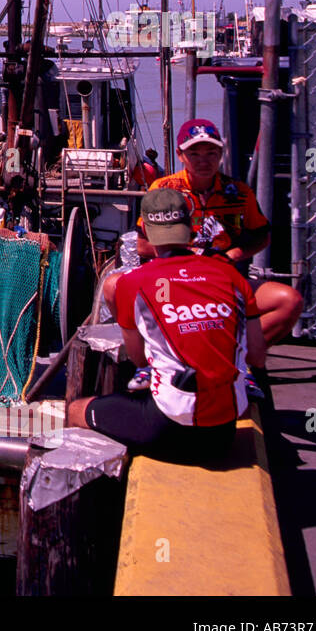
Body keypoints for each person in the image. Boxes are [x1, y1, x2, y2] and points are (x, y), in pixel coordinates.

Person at [68, 188, 266, 461]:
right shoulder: (231, 276)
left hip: (168, 426)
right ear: (189, 228)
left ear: (146, 233)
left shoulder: (131, 283)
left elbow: (139, 359)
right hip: (224, 430)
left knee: (76, 410)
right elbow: (257, 355)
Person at [107, 118, 301, 347]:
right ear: (180, 155)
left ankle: (236, 352)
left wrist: (236, 253)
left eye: (211, 153)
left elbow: (261, 236)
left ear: (221, 153)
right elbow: (143, 246)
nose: (204, 161)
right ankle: (149, 356)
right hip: (173, 278)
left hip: (221, 278)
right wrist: (190, 258)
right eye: (194, 154)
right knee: (112, 286)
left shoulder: (239, 192)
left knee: (290, 301)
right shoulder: (163, 190)